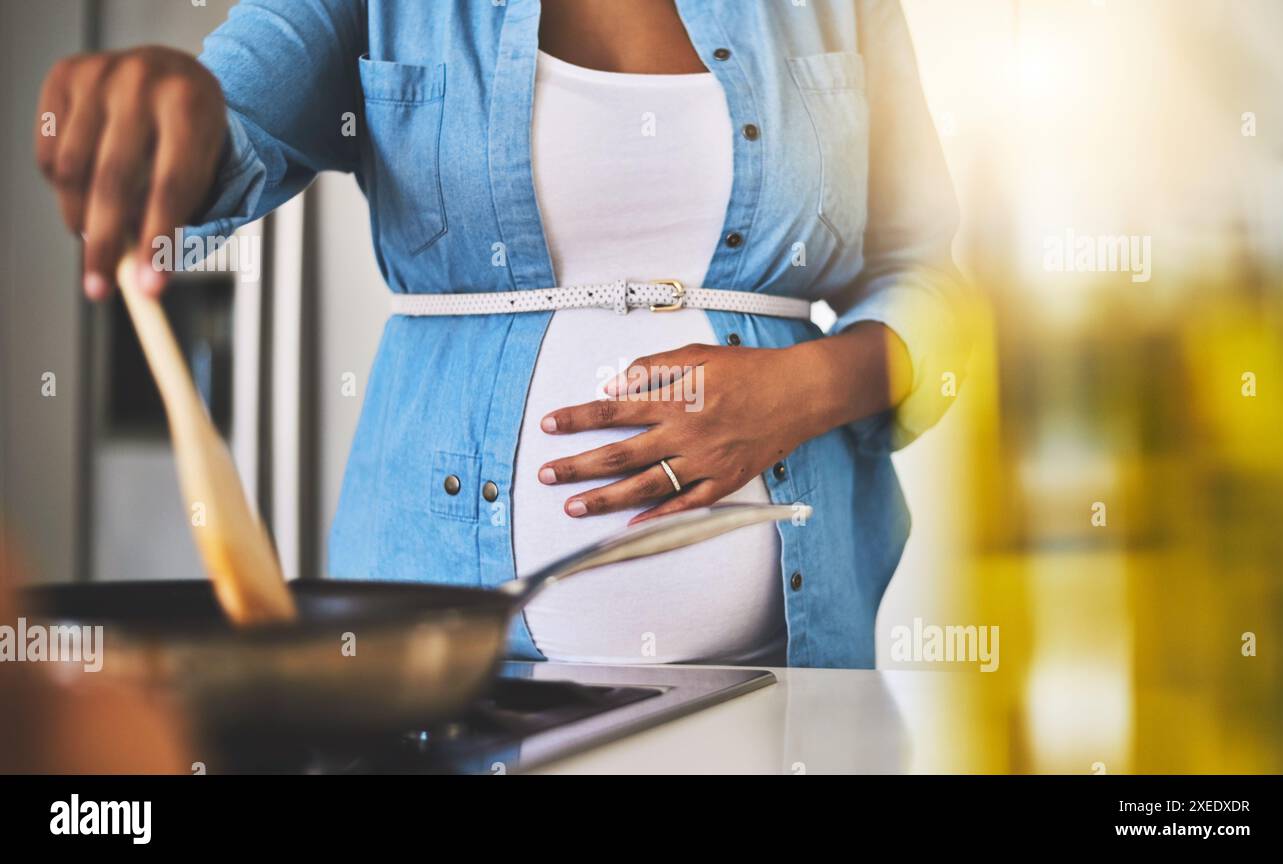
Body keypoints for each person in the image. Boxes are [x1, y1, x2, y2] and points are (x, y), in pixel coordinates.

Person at [34, 0, 969, 668]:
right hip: (444, 691)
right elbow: (231, 126)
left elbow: (932, 283)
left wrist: (799, 394)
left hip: (794, 678)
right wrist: (178, 115)